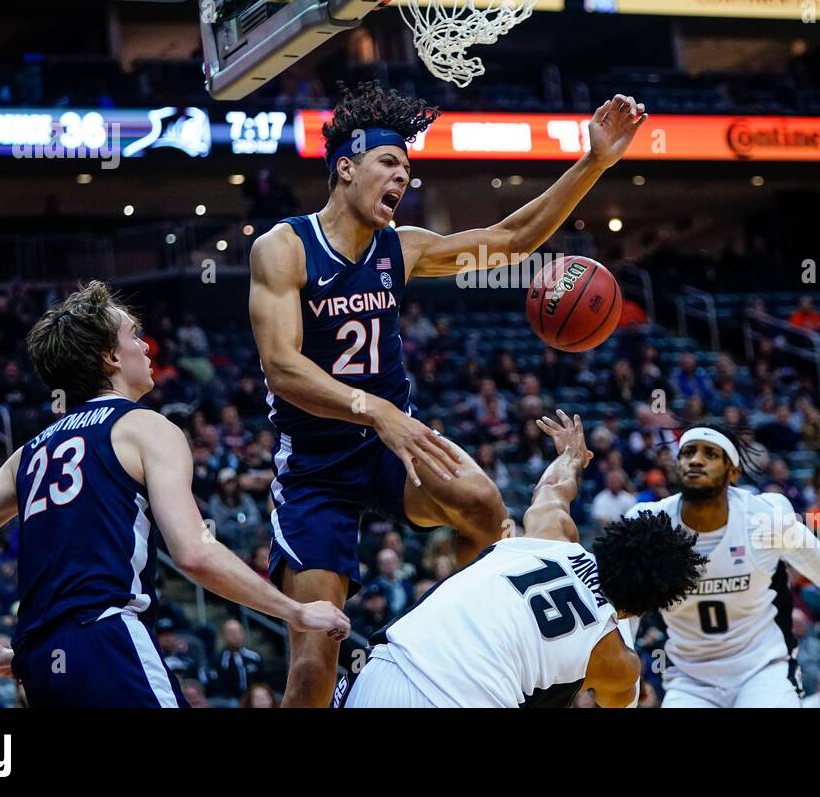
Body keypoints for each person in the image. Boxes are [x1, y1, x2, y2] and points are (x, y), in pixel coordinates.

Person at [249, 81, 649, 707]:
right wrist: (376, 410)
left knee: (483, 507)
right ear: (345, 167)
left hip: (391, 445)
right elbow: (281, 367)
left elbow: (512, 240)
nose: (402, 177)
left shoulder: (402, 248)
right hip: (316, 469)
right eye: (389, 163)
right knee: (312, 662)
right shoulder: (283, 247)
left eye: (408, 169)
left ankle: (447, 646)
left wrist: (593, 161)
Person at [0, 281, 349, 708]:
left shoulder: (28, 453)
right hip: (108, 640)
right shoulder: (145, 427)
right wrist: (295, 611)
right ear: (109, 357)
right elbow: (194, 553)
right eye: (134, 336)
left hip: (40, 665)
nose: (146, 347)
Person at [342, 411, 703, 707]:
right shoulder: (617, 662)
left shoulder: (551, 538)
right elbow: (620, 698)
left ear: (609, 542)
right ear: (656, 602)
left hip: (386, 669)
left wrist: (571, 457)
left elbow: (552, 489)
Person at [627, 427, 820, 708]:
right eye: (688, 453)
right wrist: (628, 667)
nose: (696, 460)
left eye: (710, 454)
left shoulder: (764, 516)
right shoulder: (649, 524)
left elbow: (809, 554)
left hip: (762, 670)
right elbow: (623, 602)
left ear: (733, 473)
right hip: (689, 680)